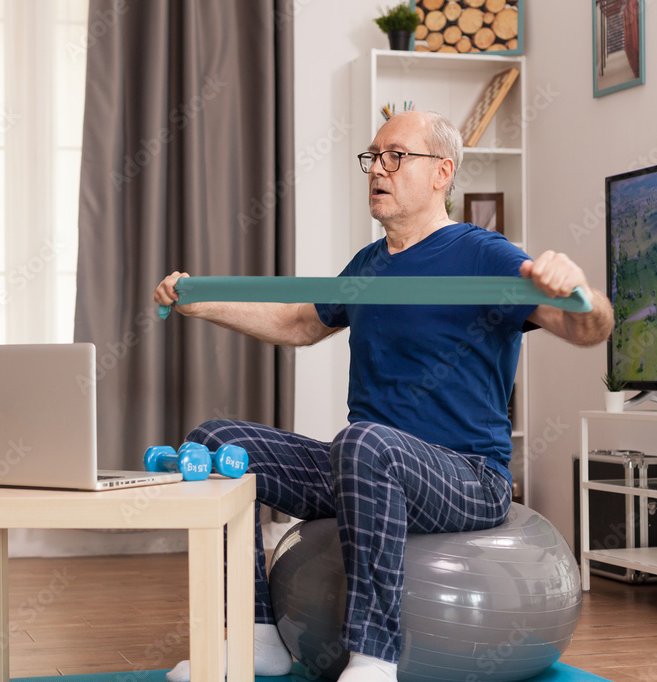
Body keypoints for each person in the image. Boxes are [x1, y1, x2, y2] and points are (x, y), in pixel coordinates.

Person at [152, 110, 614, 682]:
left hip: (468, 476)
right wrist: (204, 305)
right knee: (218, 442)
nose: (379, 169)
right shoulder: (369, 264)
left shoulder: (483, 254)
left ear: (442, 172)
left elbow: (588, 329)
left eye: (397, 156)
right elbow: (300, 324)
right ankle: (256, 636)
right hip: (365, 465)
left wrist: (578, 292)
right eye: (373, 157)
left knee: (364, 443)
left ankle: (374, 658)